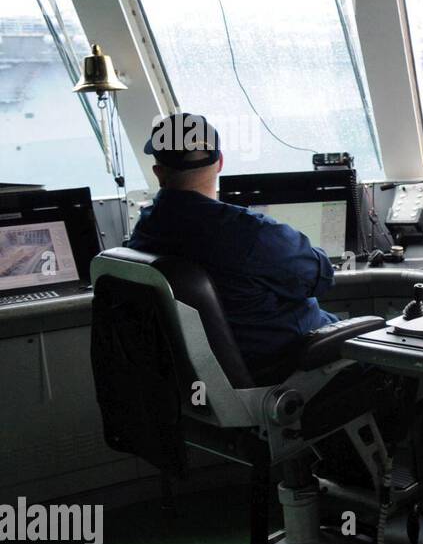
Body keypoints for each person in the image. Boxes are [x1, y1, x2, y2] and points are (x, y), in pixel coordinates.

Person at [126, 113, 338, 374]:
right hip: (291, 368)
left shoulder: (145, 230)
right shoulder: (249, 232)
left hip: (198, 381)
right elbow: (322, 277)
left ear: (159, 173)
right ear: (220, 163)